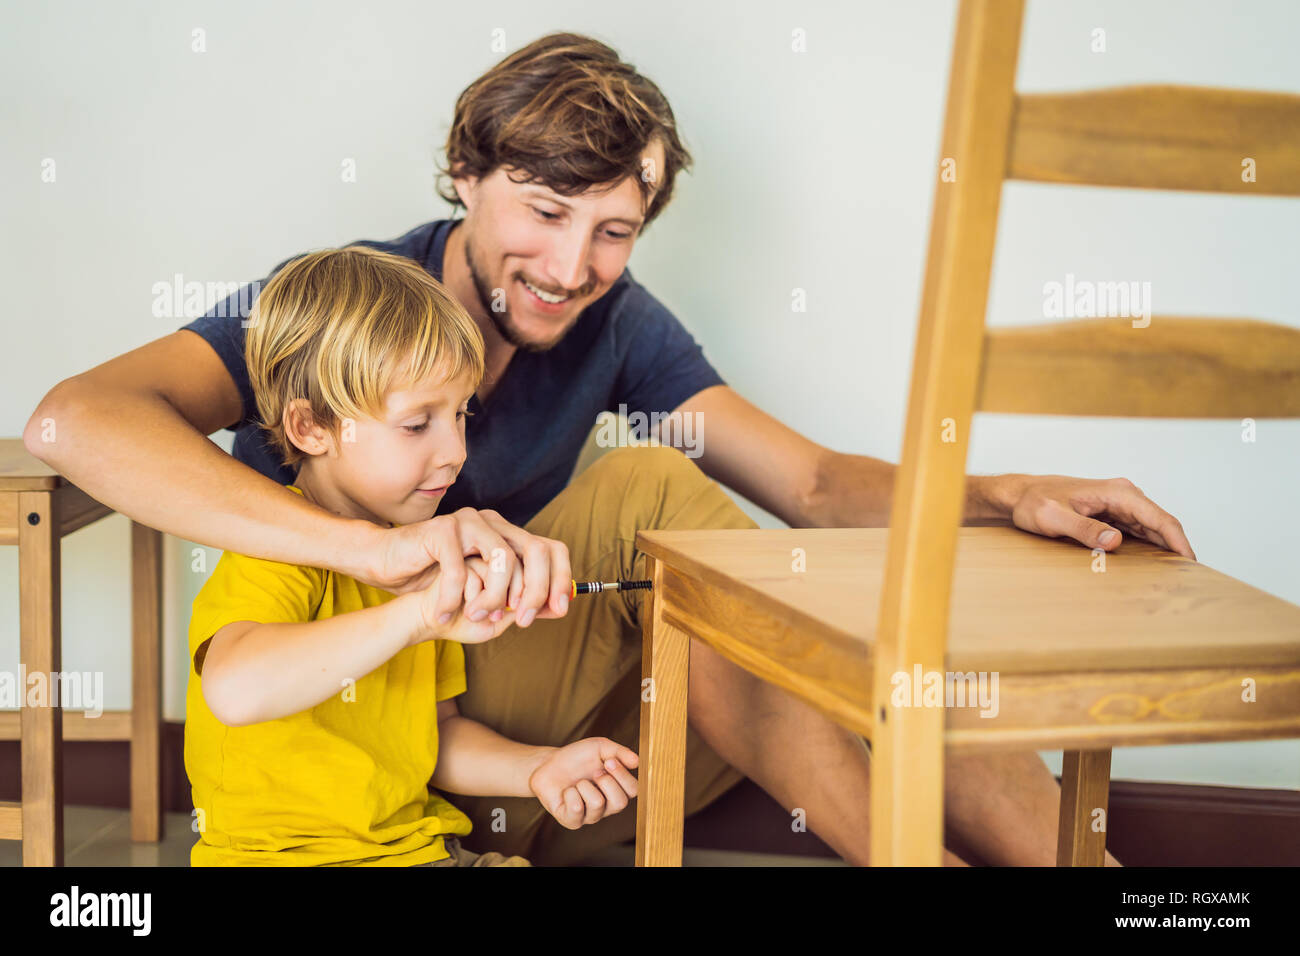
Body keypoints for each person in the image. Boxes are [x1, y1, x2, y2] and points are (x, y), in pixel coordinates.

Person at [25, 32, 1192, 866]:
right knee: (645, 487)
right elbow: (73, 421)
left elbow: (817, 483)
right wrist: (377, 556)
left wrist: (1010, 492)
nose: (572, 265)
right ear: (466, 177)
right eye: (541, 207)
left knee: (759, 598)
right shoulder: (345, 314)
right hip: (360, 717)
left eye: (613, 230)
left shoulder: (613, 324)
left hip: (501, 740)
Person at [186, 245, 638, 866]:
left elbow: (439, 737)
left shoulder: (426, 561)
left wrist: (540, 769)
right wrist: (417, 617)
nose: (455, 450)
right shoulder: (278, 554)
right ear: (312, 426)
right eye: (416, 424)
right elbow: (236, 691)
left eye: (459, 414)